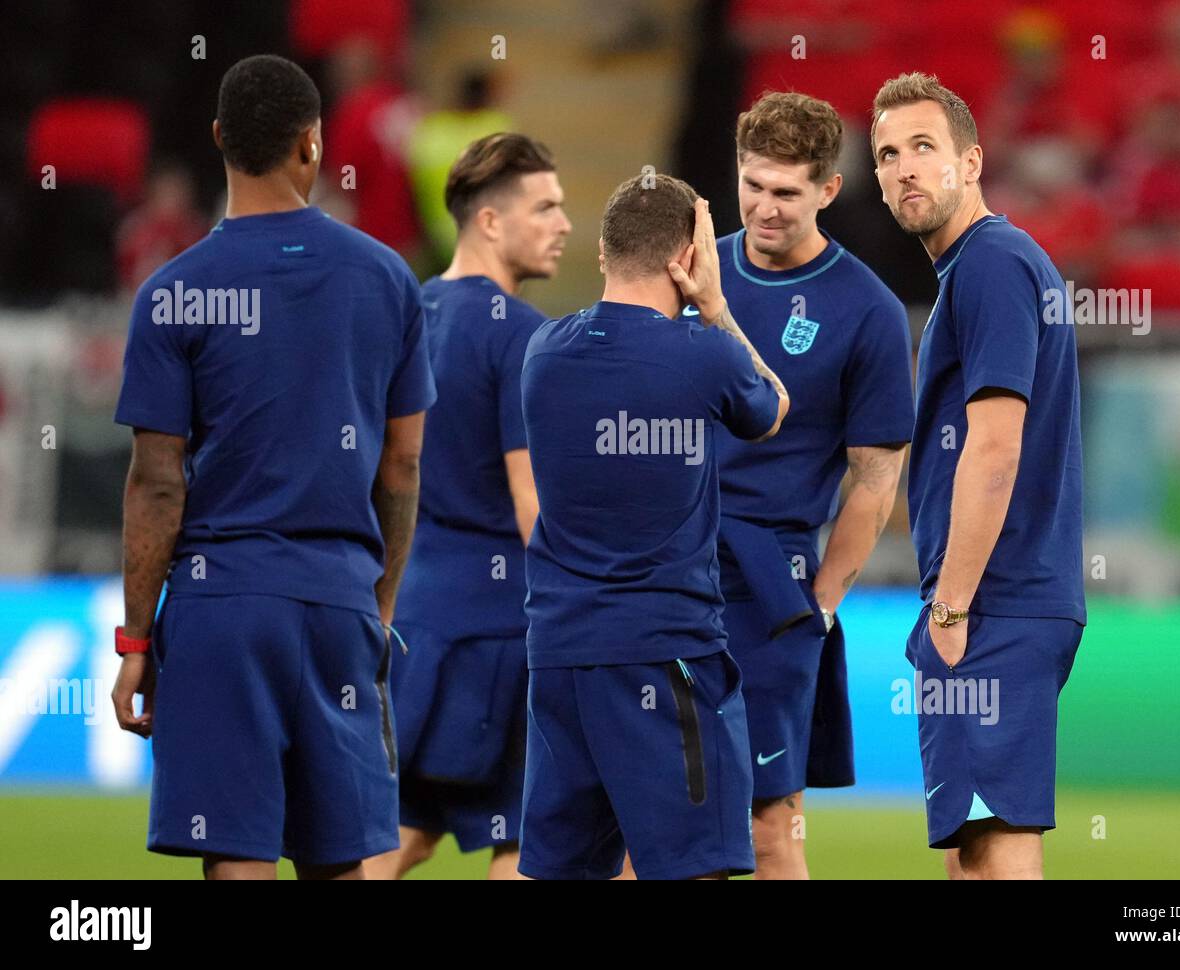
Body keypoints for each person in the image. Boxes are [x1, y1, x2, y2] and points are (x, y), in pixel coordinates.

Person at [109, 54, 434, 880]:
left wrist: (137, 638)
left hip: (222, 607)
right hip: (338, 602)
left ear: (219, 139)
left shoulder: (173, 291)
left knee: (238, 860)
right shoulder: (389, 279)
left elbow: (156, 481)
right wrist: (379, 606)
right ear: (313, 145)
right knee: (341, 862)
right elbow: (401, 465)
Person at [518, 175, 789, 880]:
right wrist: (717, 304)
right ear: (688, 255)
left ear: (605, 252)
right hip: (665, 655)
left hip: (559, 657)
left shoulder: (542, 352)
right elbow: (773, 410)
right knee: (694, 867)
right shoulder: (705, 353)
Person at [871, 72, 1086, 879]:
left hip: (995, 596)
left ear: (972, 160)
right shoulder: (984, 265)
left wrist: (952, 605)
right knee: (974, 851)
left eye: (924, 147)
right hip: (1005, 595)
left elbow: (995, 447)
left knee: (998, 845)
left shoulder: (991, 263)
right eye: (888, 154)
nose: (904, 169)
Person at [704, 92, 914, 879]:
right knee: (635, 813)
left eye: (786, 192)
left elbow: (875, 476)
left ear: (828, 190)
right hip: (659, 568)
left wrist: (821, 602)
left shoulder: (868, 311)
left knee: (769, 824)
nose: (764, 206)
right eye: (752, 184)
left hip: (770, 583)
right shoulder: (688, 274)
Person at [365, 133, 570, 880]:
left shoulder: (405, 316)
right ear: (489, 221)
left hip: (414, 617)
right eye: (545, 206)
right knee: (526, 841)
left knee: (399, 831)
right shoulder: (525, 337)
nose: (565, 224)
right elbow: (531, 502)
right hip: (505, 630)